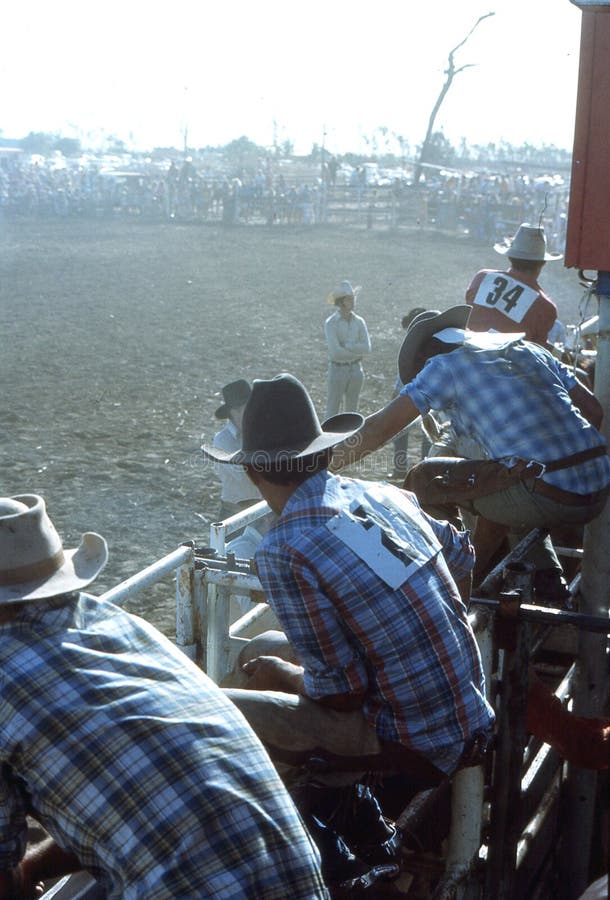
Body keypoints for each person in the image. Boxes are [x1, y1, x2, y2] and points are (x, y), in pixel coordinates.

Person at [203, 374, 495, 889]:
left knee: (221, 707)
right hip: (467, 707)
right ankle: (342, 803)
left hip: (416, 742)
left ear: (252, 471)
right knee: (266, 647)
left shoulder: (284, 547)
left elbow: (341, 693)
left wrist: (283, 674)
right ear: (321, 451)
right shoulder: (380, 495)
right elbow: (462, 551)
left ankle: (307, 841)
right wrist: (430, 632)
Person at [0, 493, 328, 899]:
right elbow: (139, 798)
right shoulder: (120, 626)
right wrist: (33, 864)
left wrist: (20, 872)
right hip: (299, 880)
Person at [329, 306, 610, 595]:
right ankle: (546, 572)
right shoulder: (530, 349)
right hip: (599, 485)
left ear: (428, 359)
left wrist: (322, 465)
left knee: (422, 480)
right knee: (505, 473)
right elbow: (593, 411)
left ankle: (452, 580)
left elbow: (380, 428)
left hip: (551, 494)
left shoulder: (444, 365)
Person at [465, 222, 562, 347]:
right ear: (542, 263)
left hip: (467, 350)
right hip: (506, 363)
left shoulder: (483, 277)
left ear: (510, 257)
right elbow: (536, 349)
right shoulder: (545, 307)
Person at [209, 378, 262, 520]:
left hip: (263, 513)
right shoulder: (222, 440)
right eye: (238, 410)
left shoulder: (264, 433)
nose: (244, 414)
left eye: (248, 408)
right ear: (231, 413)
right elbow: (246, 474)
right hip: (234, 514)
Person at [324, 280, 371, 418]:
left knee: (352, 411)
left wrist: (349, 346)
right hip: (338, 370)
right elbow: (335, 352)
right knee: (332, 410)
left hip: (356, 370)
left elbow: (367, 348)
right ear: (341, 302)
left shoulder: (359, 321)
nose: (353, 301)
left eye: (353, 298)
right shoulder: (331, 323)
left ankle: (349, 438)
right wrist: (356, 350)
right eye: (349, 299)